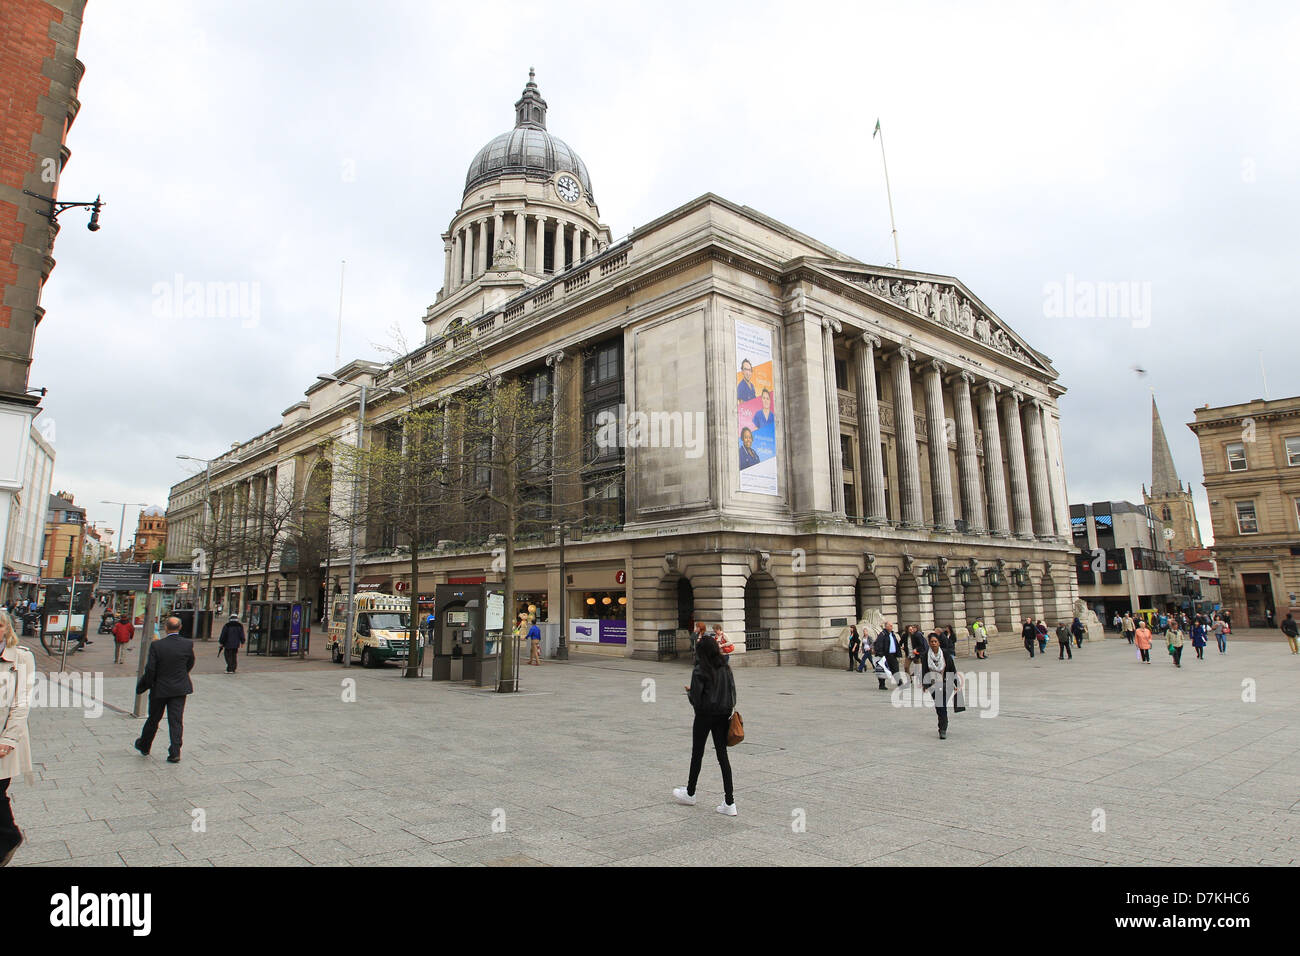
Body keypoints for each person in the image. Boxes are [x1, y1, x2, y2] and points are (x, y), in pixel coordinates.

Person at [673, 634, 737, 815]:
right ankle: (730, 802)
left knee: (697, 754)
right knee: (722, 757)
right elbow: (732, 694)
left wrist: (689, 693)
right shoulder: (726, 668)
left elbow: (697, 700)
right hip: (723, 715)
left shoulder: (700, 670)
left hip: (704, 716)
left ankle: (690, 793)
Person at [133, 616, 195, 764]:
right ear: (180, 628)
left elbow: (151, 669)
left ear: (166, 628)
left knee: (154, 718)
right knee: (176, 720)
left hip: (159, 688)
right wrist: (180, 676)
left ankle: (145, 745)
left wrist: (145, 685)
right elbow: (190, 663)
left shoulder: (157, 646)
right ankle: (175, 752)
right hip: (179, 688)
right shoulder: (187, 644)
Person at [0, 609, 34, 866]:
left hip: (3, 739)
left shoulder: (20, 658)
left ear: (7, 629)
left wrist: (9, 739)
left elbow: (22, 701)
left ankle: (9, 837)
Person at [920, 632, 961, 740]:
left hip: (946, 684)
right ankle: (943, 724)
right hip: (933, 685)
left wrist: (956, 683)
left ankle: (943, 728)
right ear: (929, 643)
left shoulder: (945, 654)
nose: (933, 644)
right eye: (931, 642)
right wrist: (925, 684)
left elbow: (952, 669)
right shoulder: (925, 655)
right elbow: (924, 670)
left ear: (939, 642)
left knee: (941, 706)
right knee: (940, 707)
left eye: (935, 641)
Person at [872, 622, 901, 689]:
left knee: (895, 669)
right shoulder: (882, 634)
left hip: (892, 655)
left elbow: (895, 643)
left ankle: (899, 683)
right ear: (886, 627)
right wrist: (880, 653)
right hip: (885, 655)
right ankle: (881, 684)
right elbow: (879, 644)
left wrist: (898, 652)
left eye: (892, 626)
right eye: (890, 626)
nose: (891, 627)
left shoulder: (892, 634)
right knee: (883, 670)